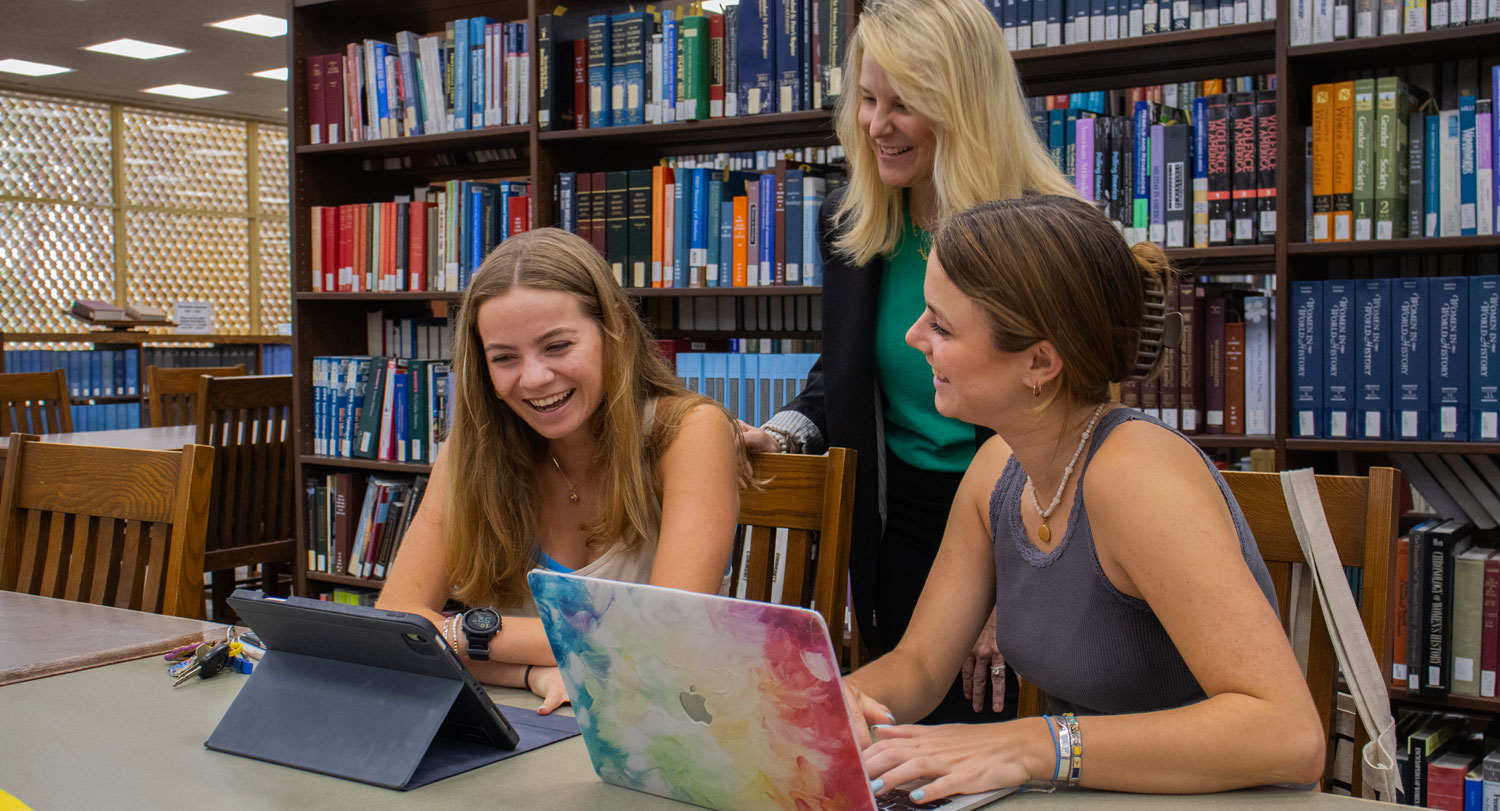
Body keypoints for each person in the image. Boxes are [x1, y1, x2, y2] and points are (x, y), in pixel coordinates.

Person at [843, 194, 1324, 801]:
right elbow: (920, 665)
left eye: (941, 324)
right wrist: (840, 700)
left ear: (1039, 362)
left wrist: (1029, 744)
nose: (914, 337)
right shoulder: (997, 468)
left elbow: (1287, 734)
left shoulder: (1135, 477)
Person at [740, 0, 1078, 723]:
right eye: (866, 98)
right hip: (896, 525)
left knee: (991, 746)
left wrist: (1010, 583)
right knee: (900, 743)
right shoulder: (852, 220)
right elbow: (843, 379)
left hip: (1022, 523)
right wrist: (786, 433)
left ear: (964, 108)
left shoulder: (1048, 230)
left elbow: (1076, 419)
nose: (875, 124)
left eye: (904, 104)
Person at [378, 228, 749, 713]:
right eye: (504, 358)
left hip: (662, 723)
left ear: (612, 328)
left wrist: (462, 631)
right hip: (530, 721)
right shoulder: (469, 453)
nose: (533, 379)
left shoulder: (690, 432)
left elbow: (662, 640)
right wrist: (533, 672)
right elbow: (396, 626)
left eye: (556, 346)